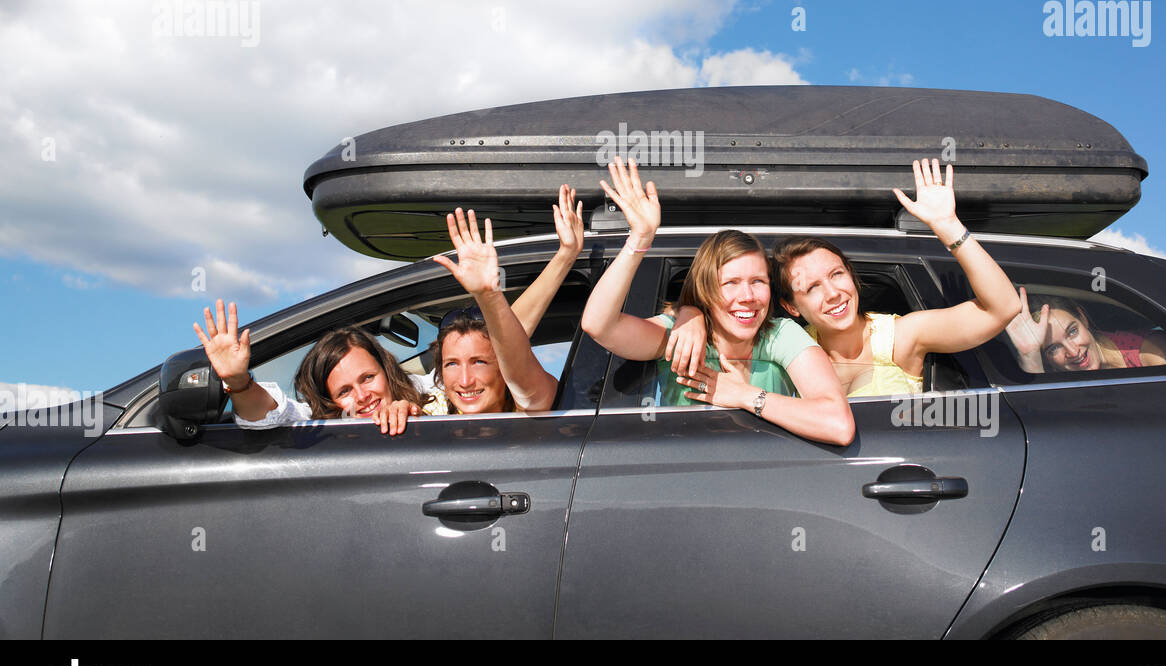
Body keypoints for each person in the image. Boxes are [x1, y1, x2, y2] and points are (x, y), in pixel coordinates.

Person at [194, 185, 584, 433]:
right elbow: (274, 416)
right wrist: (238, 382)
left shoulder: (430, 396)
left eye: (367, 378)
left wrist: (555, 262)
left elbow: (505, 346)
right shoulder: (340, 424)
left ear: (388, 371)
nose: (362, 396)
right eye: (344, 390)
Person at [664, 160, 1021, 399]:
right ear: (791, 305)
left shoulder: (900, 337)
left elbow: (1003, 308)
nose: (833, 293)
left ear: (852, 276)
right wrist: (690, 314)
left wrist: (948, 227)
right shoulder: (788, 347)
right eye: (812, 288)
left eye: (837, 275)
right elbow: (724, 320)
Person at [580, 158, 854, 447]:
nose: (747, 296)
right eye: (731, 283)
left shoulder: (780, 335)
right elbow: (598, 324)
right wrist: (640, 240)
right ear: (706, 289)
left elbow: (838, 424)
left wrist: (744, 396)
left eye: (758, 282)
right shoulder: (679, 335)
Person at [1004, 290, 1166, 374]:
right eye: (1053, 349)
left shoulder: (1150, 351)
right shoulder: (1059, 383)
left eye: (1072, 332)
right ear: (1047, 360)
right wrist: (1029, 354)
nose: (1073, 352)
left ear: (1083, 318)